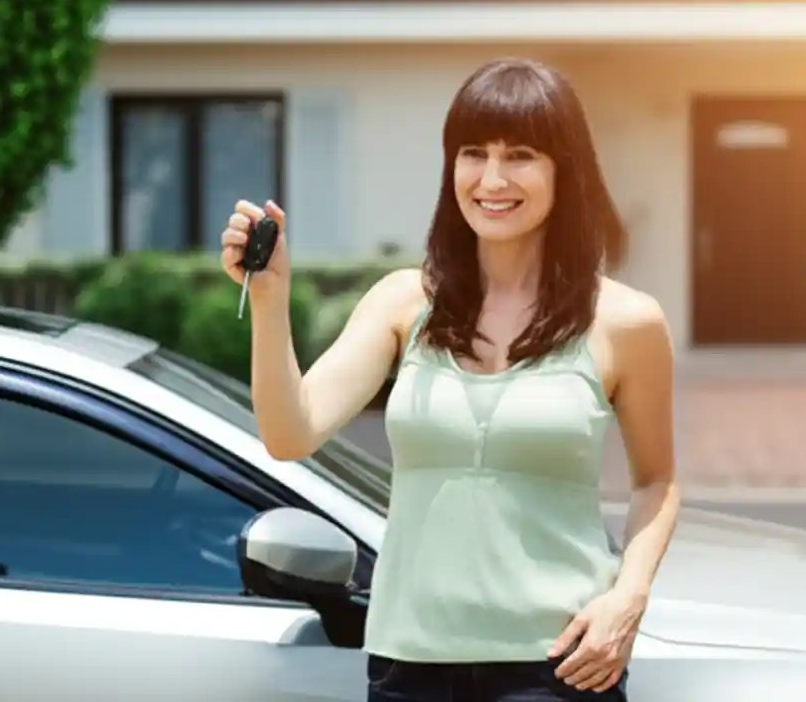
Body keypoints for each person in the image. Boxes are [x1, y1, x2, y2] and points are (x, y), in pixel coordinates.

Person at [220, 57, 680, 701]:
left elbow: (657, 482)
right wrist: (270, 303)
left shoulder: (626, 321)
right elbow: (289, 432)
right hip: (411, 663)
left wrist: (627, 601)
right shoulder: (402, 303)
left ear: (564, 170)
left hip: (561, 664)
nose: (492, 179)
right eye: (473, 154)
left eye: (520, 155)